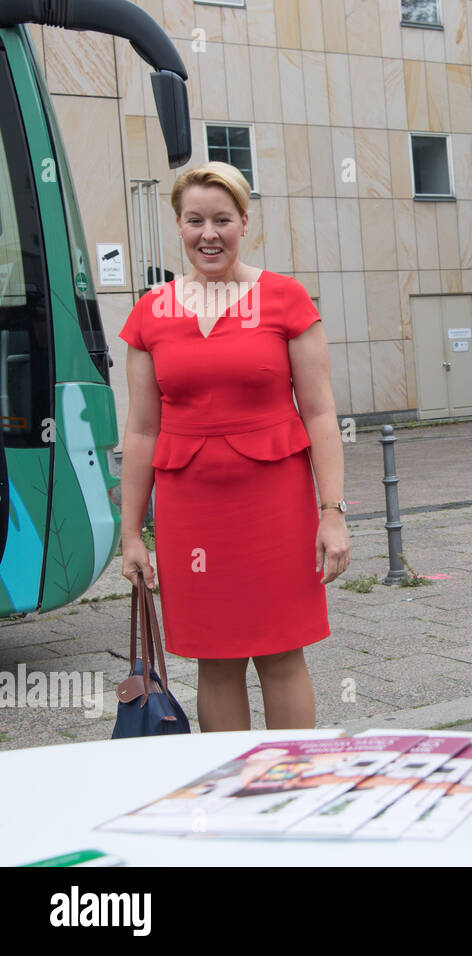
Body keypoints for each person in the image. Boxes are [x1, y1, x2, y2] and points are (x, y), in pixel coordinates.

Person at [118, 161, 349, 732]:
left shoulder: (285, 299)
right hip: (191, 512)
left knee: (281, 652)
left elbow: (320, 413)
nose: (209, 234)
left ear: (245, 222)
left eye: (222, 219)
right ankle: (232, 781)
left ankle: (291, 776)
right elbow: (142, 431)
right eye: (195, 220)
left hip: (275, 506)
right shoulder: (151, 313)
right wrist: (131, 534)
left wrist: (332, 512)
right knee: (214, 659)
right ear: (178, 225)